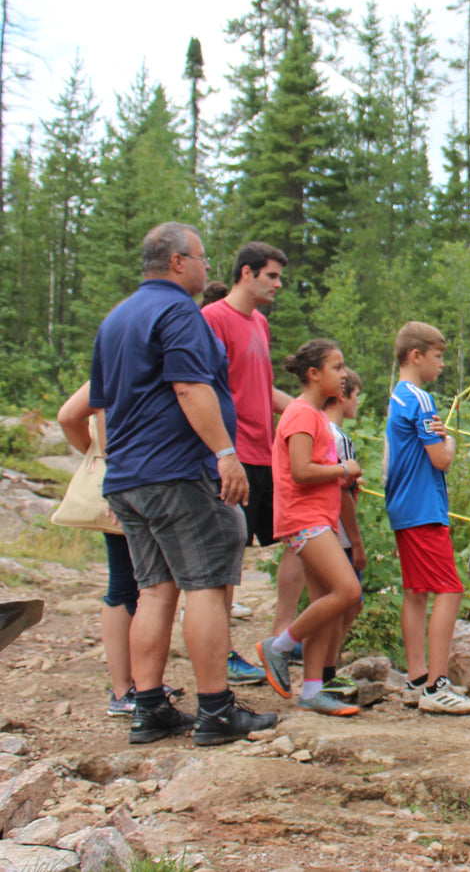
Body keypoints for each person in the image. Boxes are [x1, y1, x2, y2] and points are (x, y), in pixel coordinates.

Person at [88, 221, 276, 745]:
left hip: (129, 477)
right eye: (201, 258)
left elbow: (100, 408)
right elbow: (191, 388)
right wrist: (225, 454)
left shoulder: (116, 318)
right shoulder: (179, 313)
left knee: (154, 590)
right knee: (207, 585)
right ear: (177, 261)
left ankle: (148, 707)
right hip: (177, 472)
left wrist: (114, 468)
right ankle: (216, 710)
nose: (206, 267)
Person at [57, 382, 183, 715]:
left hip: (128, 479)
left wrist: (95, 453)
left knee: (139, 584)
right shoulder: (127, 366)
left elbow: (69, 417)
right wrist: (101, 456)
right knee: (132, 585)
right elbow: (69, 416)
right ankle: (125, 688)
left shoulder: (112, 364)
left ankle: (137, 684)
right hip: (133, 481)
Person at [201, 241, 294, 679]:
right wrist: (221, 453)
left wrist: (309, 412)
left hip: (265, 452)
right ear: (246, 273)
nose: (278, 284)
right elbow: (201, 389)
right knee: (225, 561)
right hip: (231, 456)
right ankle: (221, 656)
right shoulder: (212, 319)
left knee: (298, 538)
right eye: (272, 276)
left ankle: (282, 641)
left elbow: (261, 387)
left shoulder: (260, 322)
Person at [256, 340, 364, 717]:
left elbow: (311, 468)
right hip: (305, 519)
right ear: (314, 374)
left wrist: (339, 478)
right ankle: (279, 647)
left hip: (319, 517)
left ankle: (313, 690)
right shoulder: (301, 413)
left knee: (326, 604)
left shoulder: (314, 415)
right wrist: (343, 468)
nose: (344, 374)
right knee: (348, 590)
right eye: (337, 367)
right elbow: (301, 471)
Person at [385, 320, 470, 715]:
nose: (442, 364)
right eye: (438, 356)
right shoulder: (421, 400)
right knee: (450, 589)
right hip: (424, 507)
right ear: (416, 356)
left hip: (403, 507)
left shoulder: (396, 396)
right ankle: (437, 684)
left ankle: (416, 677)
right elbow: (441, 459)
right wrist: (451, 440)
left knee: (416, 591)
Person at [321, 368, 367, 702]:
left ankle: (325, 668)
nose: (358, 402)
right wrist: (358, 542)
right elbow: (342, 494)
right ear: (343, 395)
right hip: (337, 534)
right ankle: (325, 670)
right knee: (346, 600)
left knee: (344, 602)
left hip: (322, 528)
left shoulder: (320, 429)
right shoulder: (337, 437)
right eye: (357, 395)